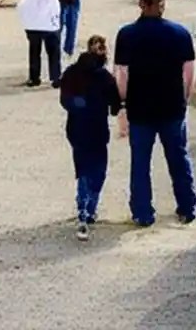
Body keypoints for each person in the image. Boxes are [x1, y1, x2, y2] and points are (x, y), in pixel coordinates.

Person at [113, 0, 196, 227]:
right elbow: (189, 73)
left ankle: (142, 212)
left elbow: (121, 74)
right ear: (162, 3)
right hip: (172, 106)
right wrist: (185, 99)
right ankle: (186, 206)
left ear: (141, 3)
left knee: (140, 163)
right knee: (178, 158)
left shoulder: (127, 35)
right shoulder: (179, 33)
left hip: (140, 108)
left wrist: (123, 104)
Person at [59, 35, 122, 241]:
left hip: (76, 128)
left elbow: (65, 99)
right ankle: (90, 206)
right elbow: (114, 107)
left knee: (82, 167)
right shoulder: (105, 77)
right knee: (98, 169)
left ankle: (82, 206)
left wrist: (80, 106)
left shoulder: (71, 73)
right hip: (97, 129)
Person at [17, 0, 62, 88]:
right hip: (51, 27)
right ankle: (56, 77)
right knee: (54, 52)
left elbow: (22, 6)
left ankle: (34, 77)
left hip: (34, 27)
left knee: (34, 52)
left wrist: (27, 24)